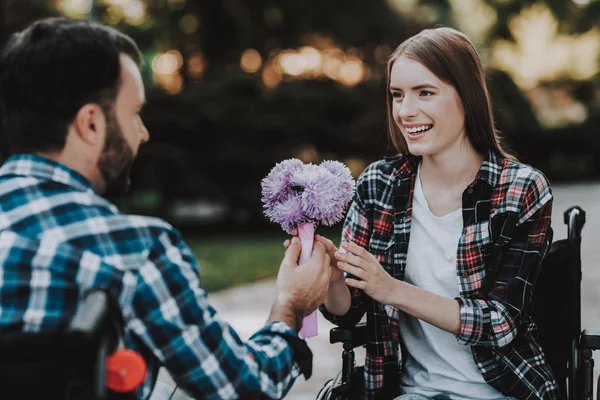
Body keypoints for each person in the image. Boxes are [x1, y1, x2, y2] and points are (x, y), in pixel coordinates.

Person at [0, 17, 334, 400]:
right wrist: (290, 307)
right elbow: (243, 390)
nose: (142, 132)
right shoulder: (135, 251)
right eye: (133, 114)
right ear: (90, 124)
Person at [318, 27, 559, 400]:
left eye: (425, 93)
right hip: (410, 393)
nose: (405, 111)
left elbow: (500, 323)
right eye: (397, 95)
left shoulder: (520, 189)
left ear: (467, 97)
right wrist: (334, 279)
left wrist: (392, 290)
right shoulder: (378, 184)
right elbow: (347, 313)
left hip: (503, 391)